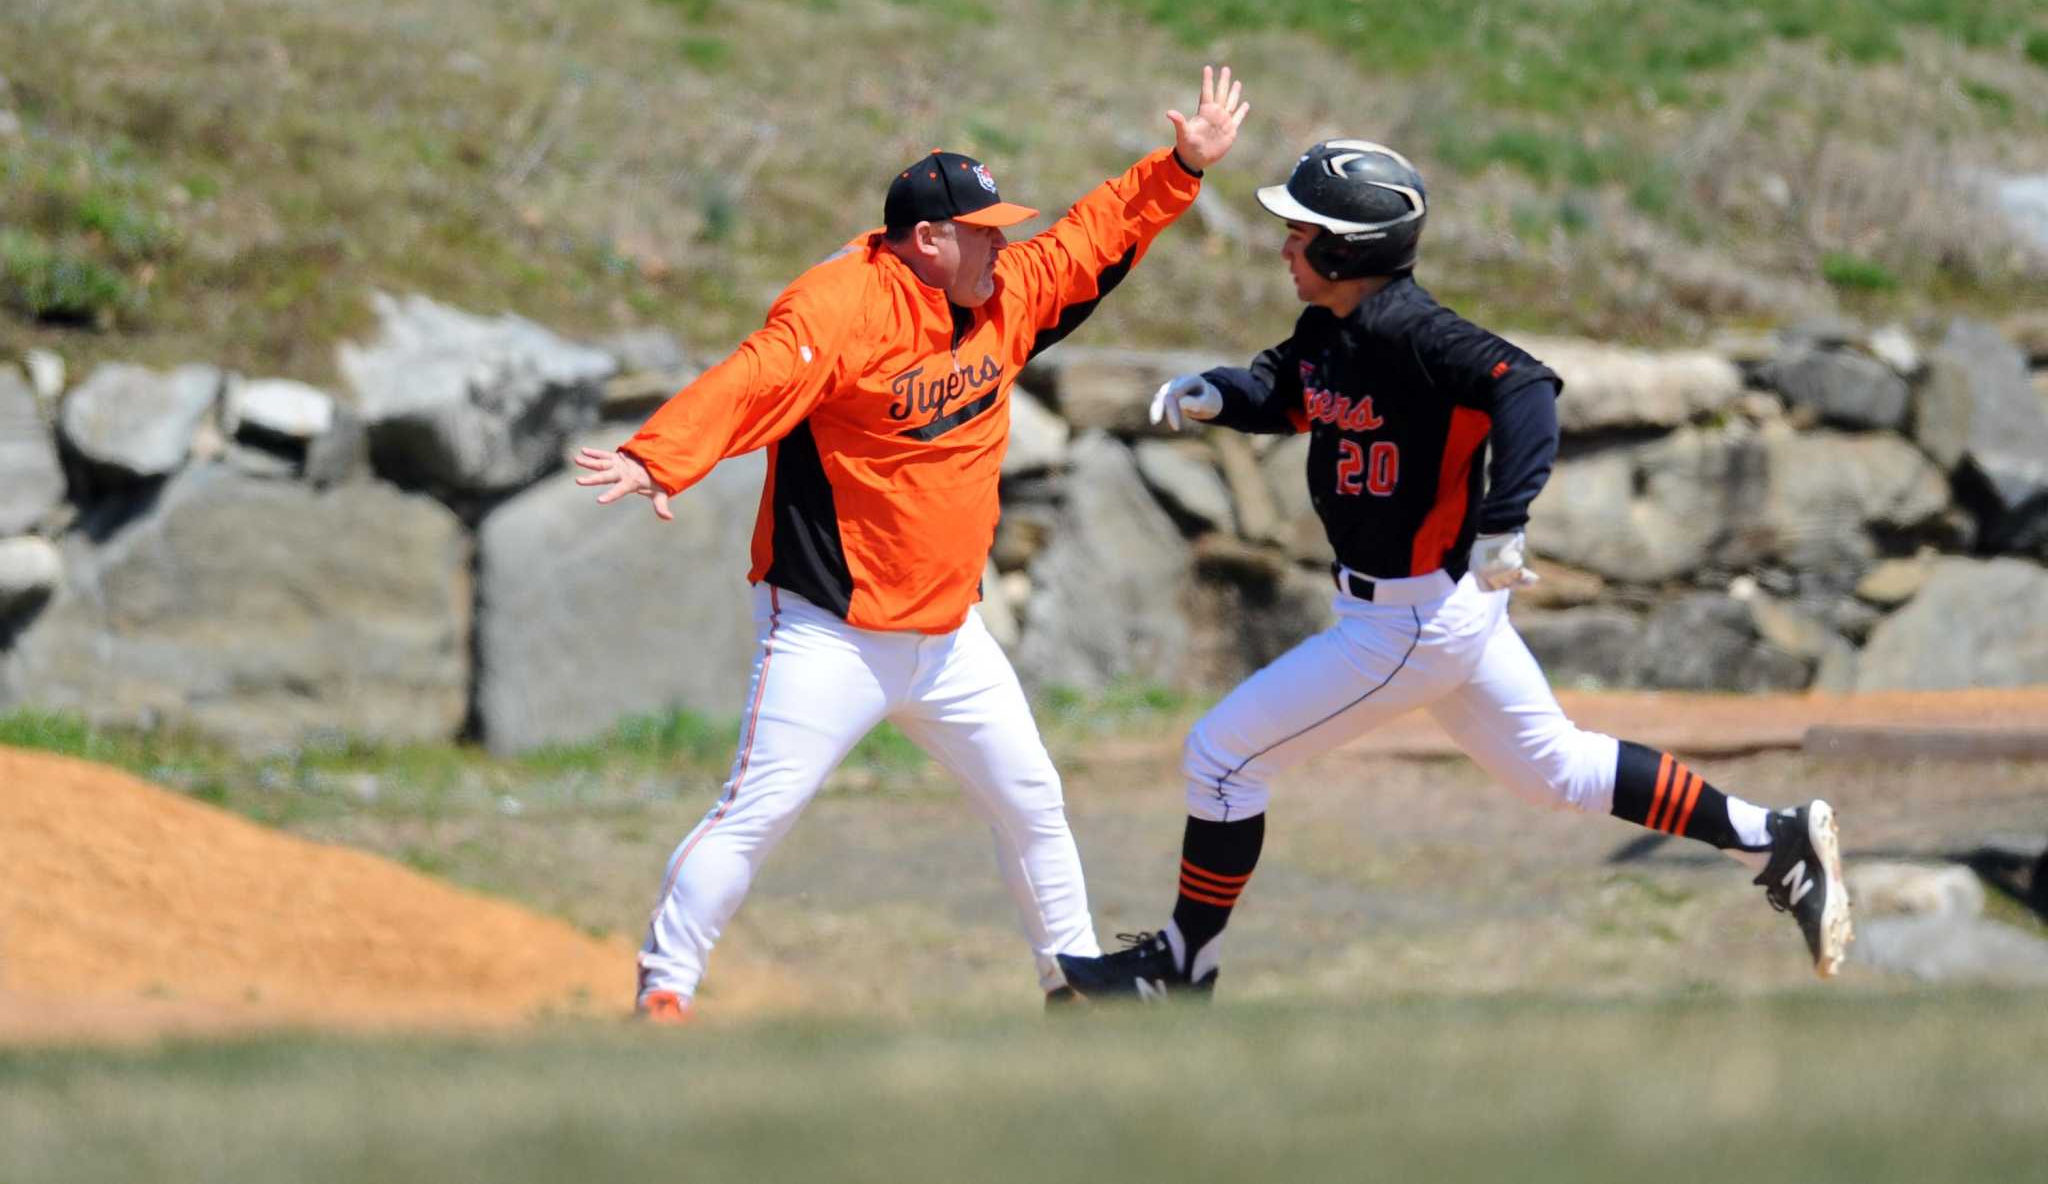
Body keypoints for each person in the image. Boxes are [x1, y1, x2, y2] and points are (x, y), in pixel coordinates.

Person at [1055, 139, 1852, 1002]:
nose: (1286, 244)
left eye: (1301, 230)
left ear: (1347, 249)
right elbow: (1292, 390)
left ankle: (1183, 966)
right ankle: (1771, 838)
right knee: (1558, 771)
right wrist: (1222, 393)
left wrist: (1505, 520)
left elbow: (1526, 387)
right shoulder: (1332, 328)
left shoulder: (1415, 331)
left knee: (1220, 758)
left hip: (1407, 623)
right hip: (1429, 615)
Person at [573, 66, 1252, 1021]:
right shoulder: (840, 306)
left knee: (1033, 803)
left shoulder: (1003, 294)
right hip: (831, 631)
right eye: (982, 232)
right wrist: (660, 458)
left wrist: (1180, 167)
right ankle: (665, 989)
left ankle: (1072, 987)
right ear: (926, 240)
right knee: (757, 813)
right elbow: (755, 377)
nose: (1002, 243)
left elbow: (1092, 237)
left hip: (950, 638)